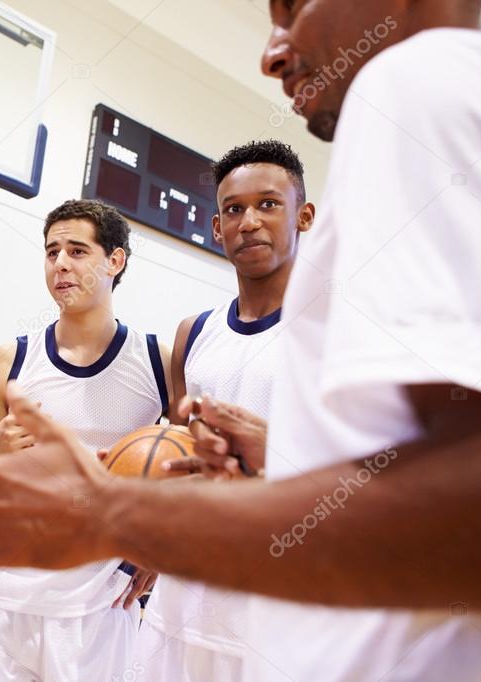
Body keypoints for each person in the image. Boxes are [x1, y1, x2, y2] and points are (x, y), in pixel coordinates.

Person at [0, 1, 481, 680]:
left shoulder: (422, 77)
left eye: (291, 6)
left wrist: (115, 514)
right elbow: (448, 476)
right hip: (182, 622)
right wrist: (282, 463)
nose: (272, 51)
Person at [0, 199, 170, 682]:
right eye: (52, 252)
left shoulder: (159, 361)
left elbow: (194, 472)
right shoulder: (10, 358)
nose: (61, 264)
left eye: (77, 250)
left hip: (101, 603)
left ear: (115, 261)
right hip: (4, 597)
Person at [138, 139, 314, 682]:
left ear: (304, 217)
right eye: (233, 209)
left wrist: (278, 453)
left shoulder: (336, 331)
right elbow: (180, 454)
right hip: (181, 598)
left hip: (279, 610)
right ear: (216, 228)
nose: (249, 222)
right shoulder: (194, 334)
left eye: (268, 204)